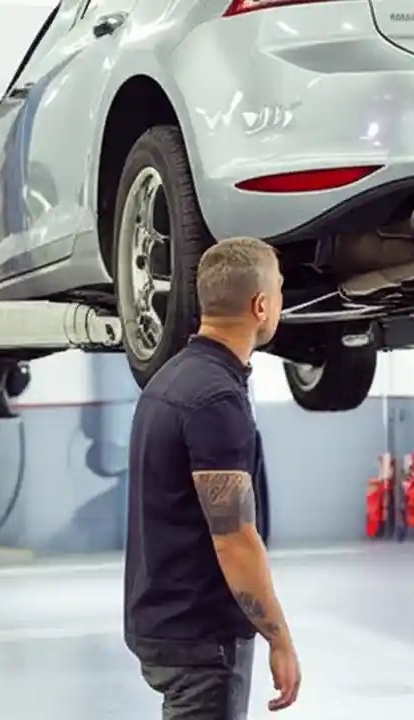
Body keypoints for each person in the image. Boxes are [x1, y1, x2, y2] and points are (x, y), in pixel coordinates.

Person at [123, 236, 302, 719]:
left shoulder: (171, 378)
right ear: (261, 305)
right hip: (201, 636)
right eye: (281, 291)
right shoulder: (216, 399)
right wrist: (279, 637)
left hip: (166, 620)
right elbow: (235, 539)